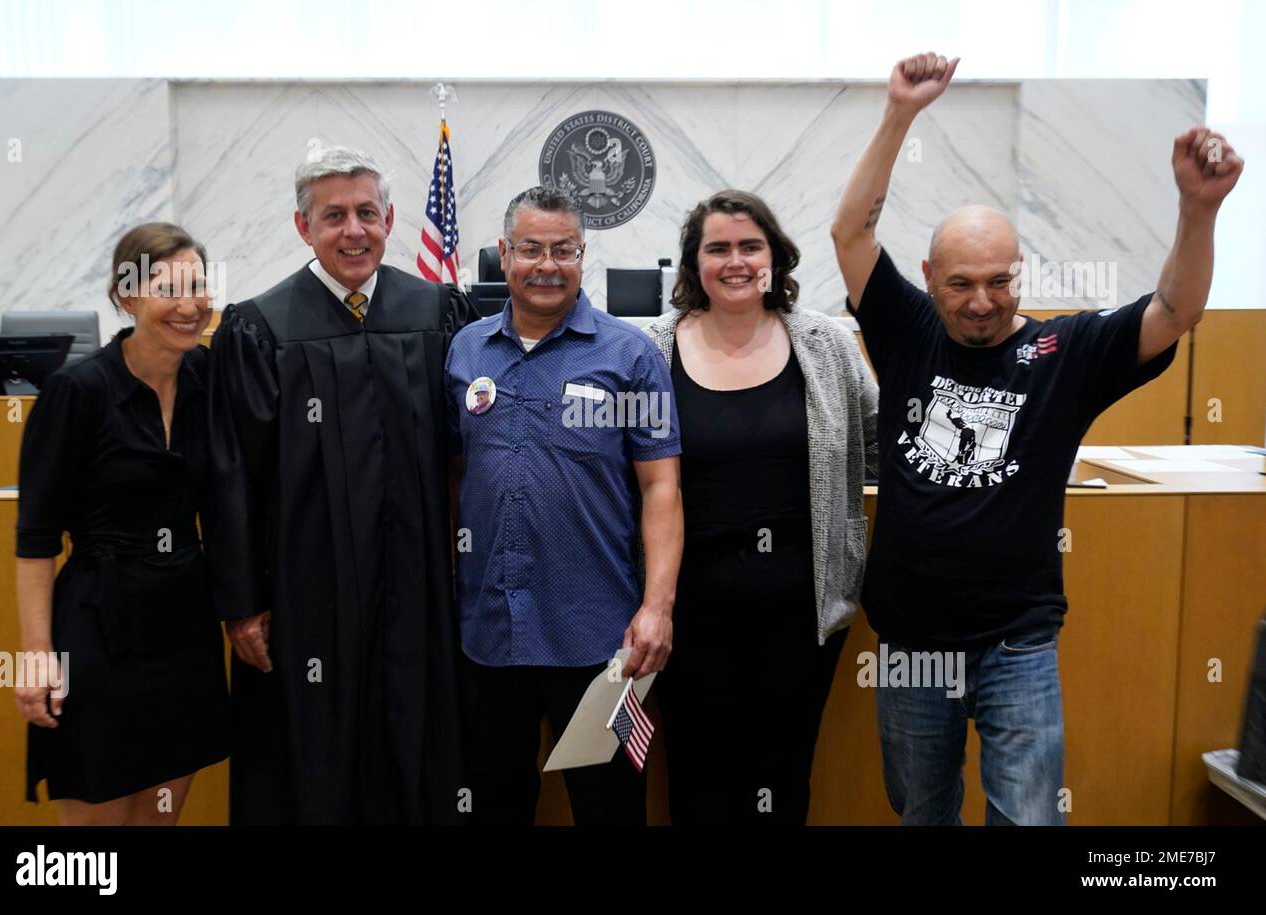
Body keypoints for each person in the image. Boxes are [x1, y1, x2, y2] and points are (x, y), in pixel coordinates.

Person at [831, 52, 1245, 825]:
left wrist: (1198, 211)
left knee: (1028, 817)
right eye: (961, 283)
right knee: (921, 811)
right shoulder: (905, 327)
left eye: (1000, 280)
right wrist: (899, 114)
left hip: (1017, 643)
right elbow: (850, 228)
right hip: (913, 638)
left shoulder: (1069, 354)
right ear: (928, 276)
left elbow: (1173, 311)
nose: (982, 302)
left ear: (1020, 273)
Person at [205, 146, 477, 825]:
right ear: (303, 227)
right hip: (307, 594)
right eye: (334, 216)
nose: (353, 230)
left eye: (366, 212)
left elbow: (473, 451)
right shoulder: (259, 327)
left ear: (389, 219)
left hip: (419, 585)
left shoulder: (440, 313)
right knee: (314, 753)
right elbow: (230, 474)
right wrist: (243, 603)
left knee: (417, 732)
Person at [445, 186, 683, 825]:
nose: (546, 265)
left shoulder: (630, 355)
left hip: (604, 637)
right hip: (488, 632)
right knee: (491, 805)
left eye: (563, 250)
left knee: (610, 810)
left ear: (583, 256)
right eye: (530, 249)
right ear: (503, 254)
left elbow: (662, 486)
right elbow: (454, 473)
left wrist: (657, 609)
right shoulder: (465, 352)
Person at [646, 190, 878, 825]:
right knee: (697, 777)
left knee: (782, 777)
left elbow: (879, 438)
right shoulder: (652, 349)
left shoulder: (825, 343)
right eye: (717, 248)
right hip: (687, 613)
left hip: (802, 612)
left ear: (775, 256)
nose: (736, 261)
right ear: (695, 264)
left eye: (751, 246)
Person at [14, 222, 228, 825]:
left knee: (159, 818)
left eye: (198, 285)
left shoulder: (207, 378)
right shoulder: (77, 393)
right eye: (169, 288)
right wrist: (36, 656)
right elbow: (34, 540)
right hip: (99, 630)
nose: (190, 305)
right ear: (126, 296)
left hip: (184, 626)